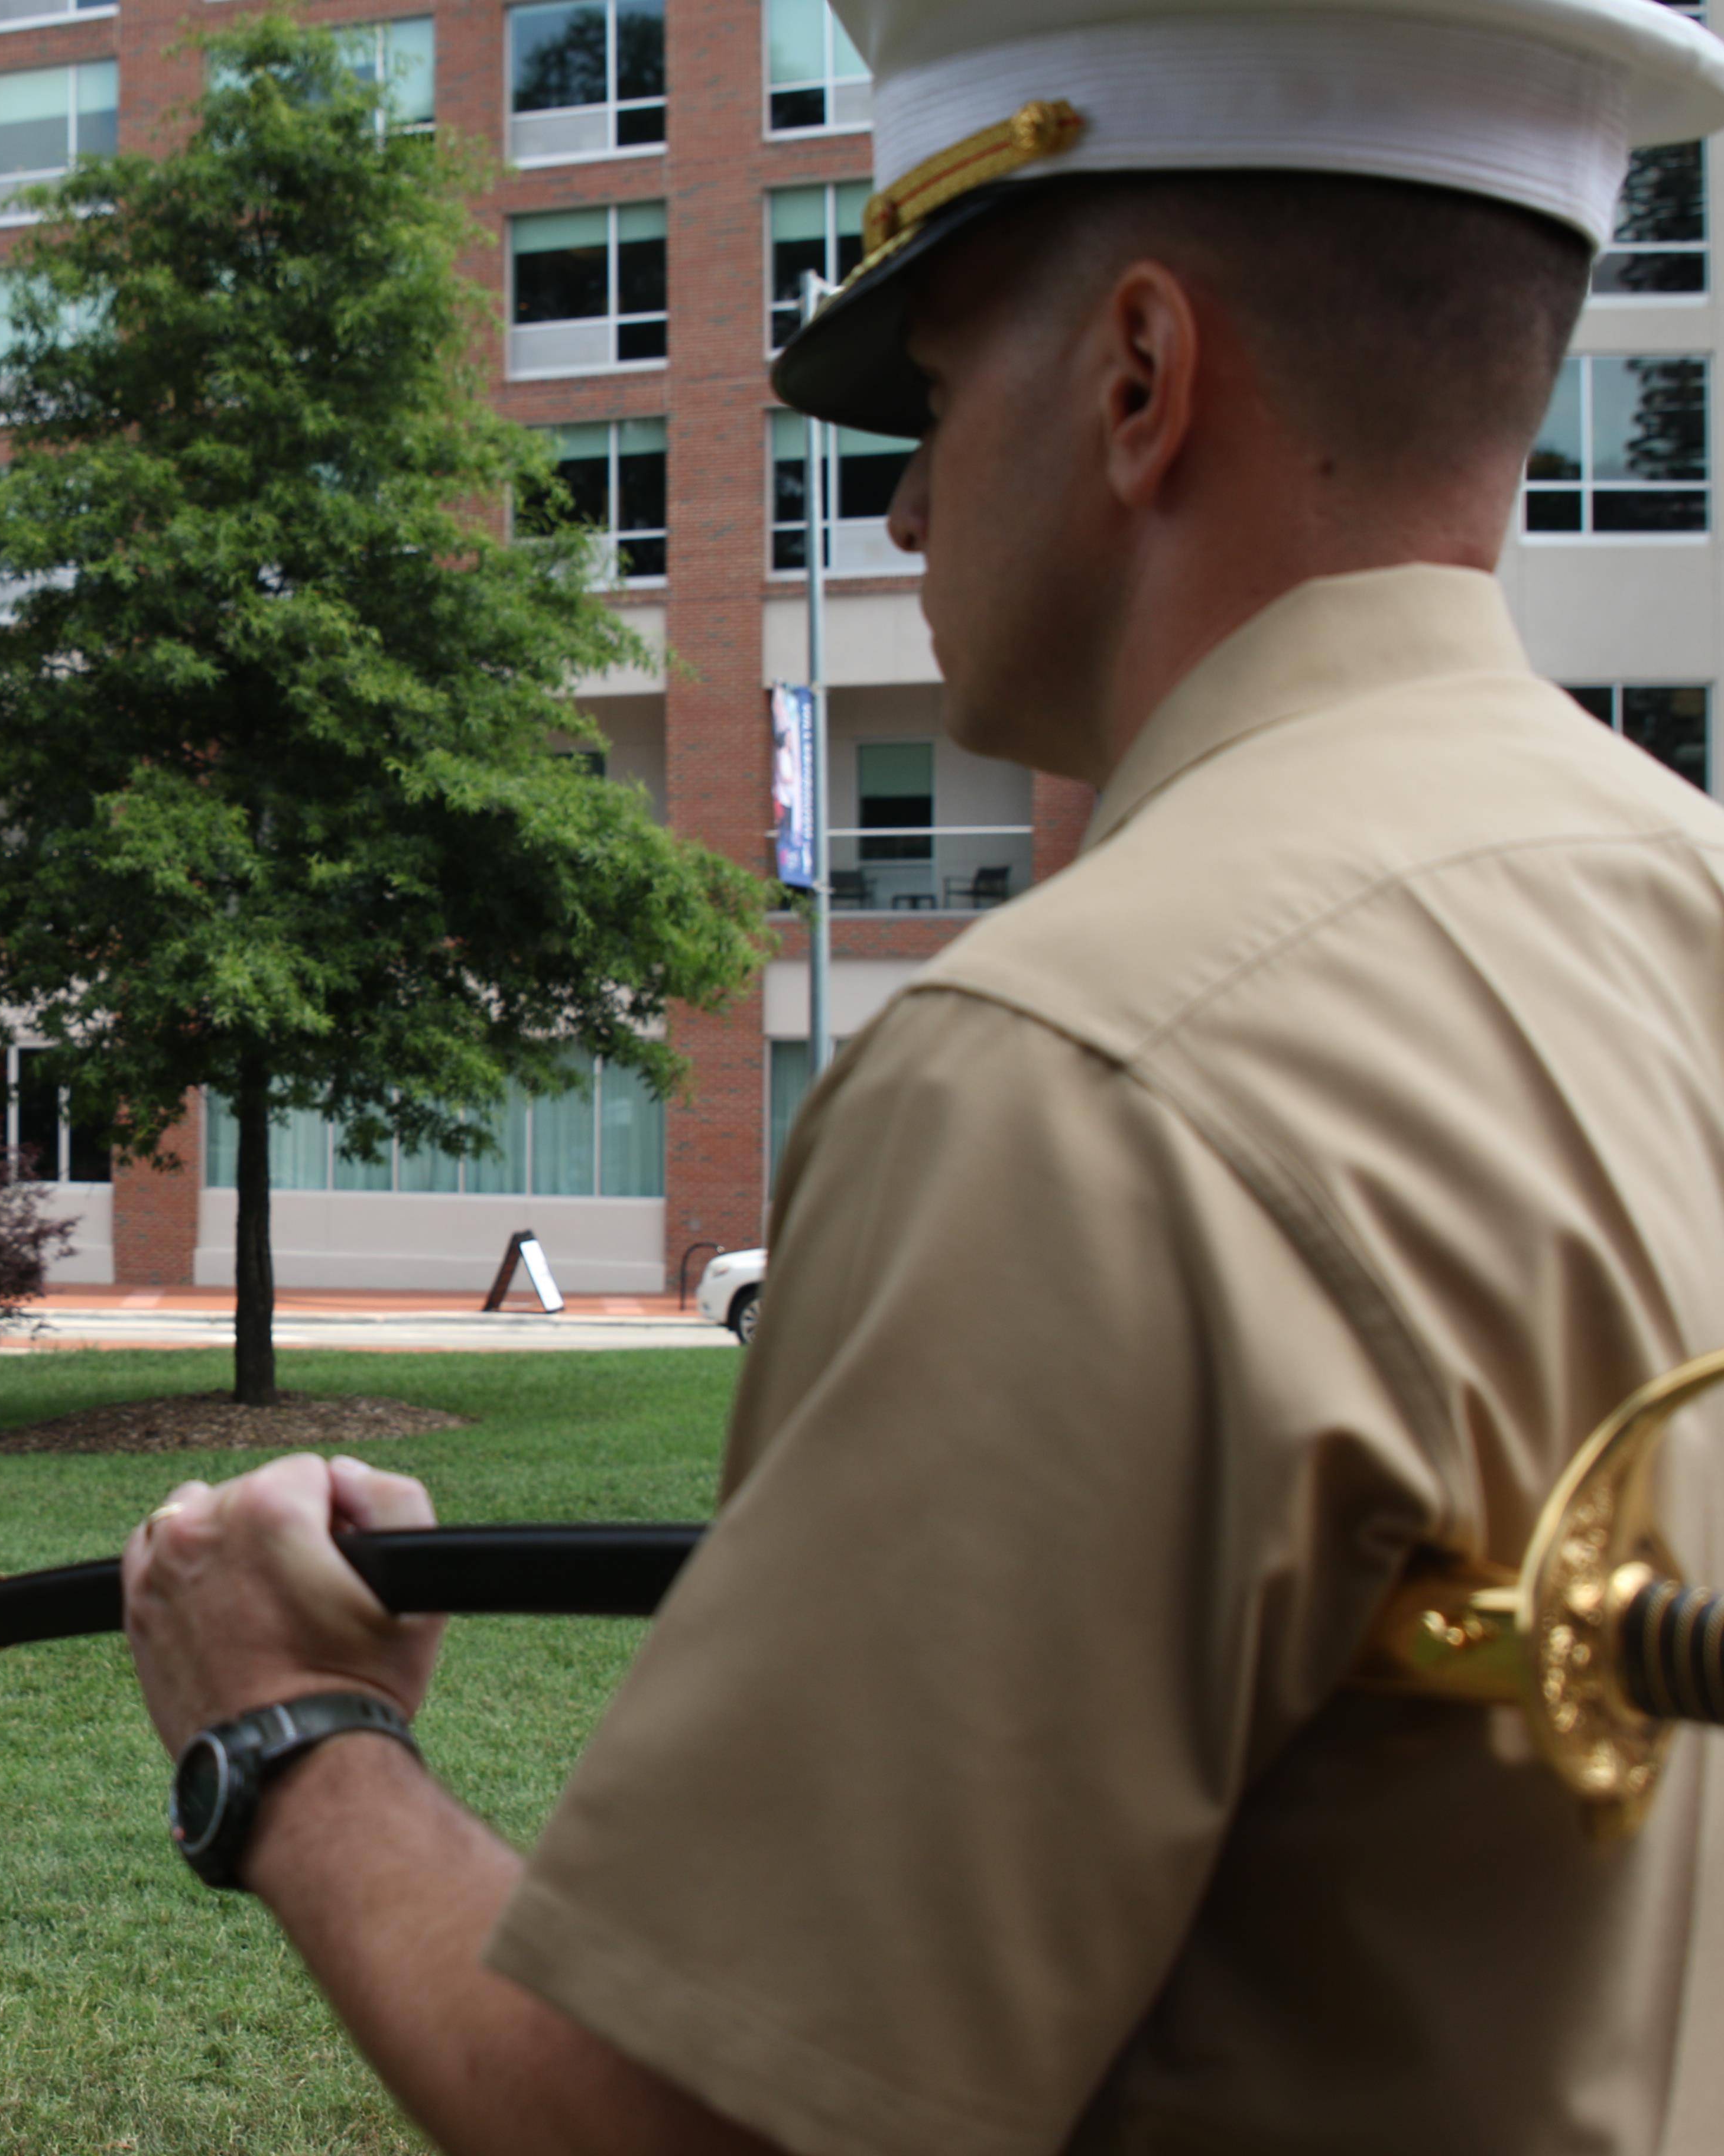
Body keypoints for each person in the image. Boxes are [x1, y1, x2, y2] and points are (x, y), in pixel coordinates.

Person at [113, 3, 1724, 2152]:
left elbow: (692, 2123)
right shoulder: (1675, 902)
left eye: (937, 390)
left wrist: (284, 1733)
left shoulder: (1075, 1070)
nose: (887, 497)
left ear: (1138, 379)